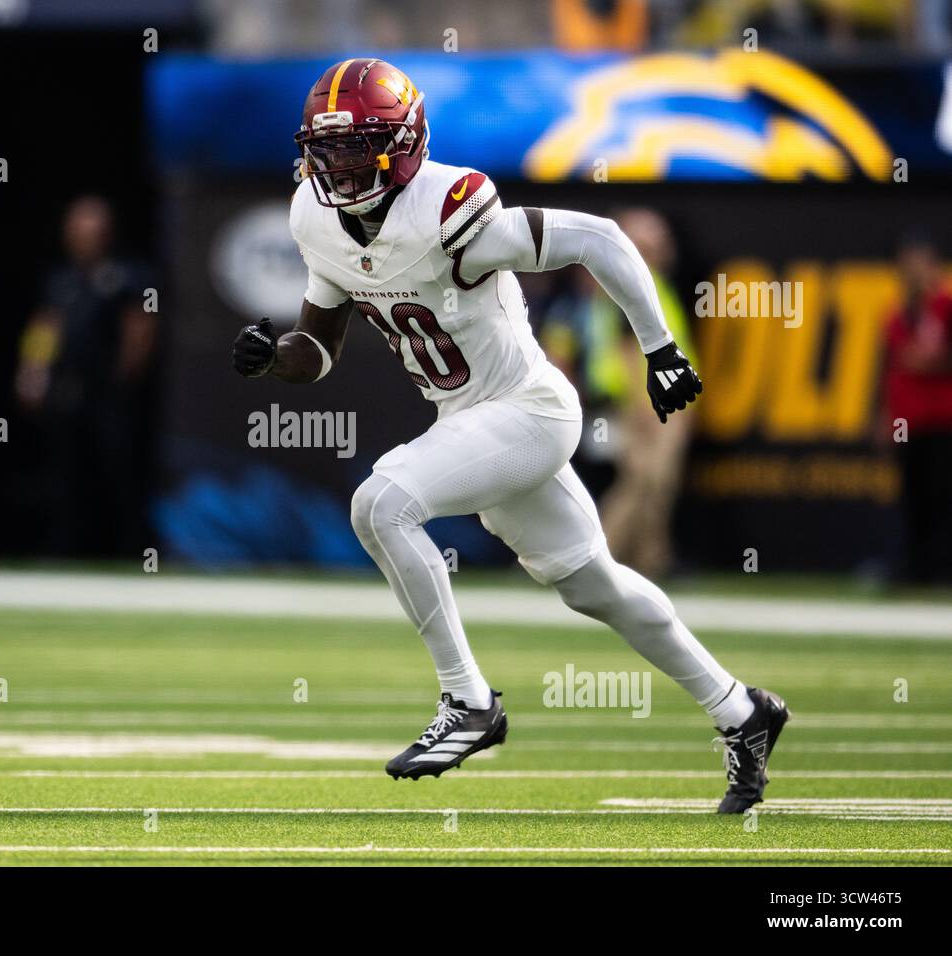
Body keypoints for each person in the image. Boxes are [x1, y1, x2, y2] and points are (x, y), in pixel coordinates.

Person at [231, 58, 788, 812]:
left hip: (528, 410)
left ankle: (468, 702)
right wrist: (275, 362)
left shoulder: (450, 210)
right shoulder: (313, 216)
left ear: (402, 145)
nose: (337, 165)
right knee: (597, 588)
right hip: (471, 421)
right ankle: (742, 712)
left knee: (379, 503)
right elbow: (317, 350)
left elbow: (601, 238)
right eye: (326, 148)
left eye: (357, 147)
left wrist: (660, 349)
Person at [14, 197, 159, 556]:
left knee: (118, 472)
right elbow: (45, 327)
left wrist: (125, 379)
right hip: (67, 391)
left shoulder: (128, 276)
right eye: (78, 231)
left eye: (92, 232)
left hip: (110, 393)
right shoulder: (60, 279)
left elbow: (140, 328)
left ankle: (131, 551)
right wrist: (31, 373)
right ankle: (65, 550)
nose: (84, 239)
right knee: (65, 474)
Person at [596, 208, 696, 580]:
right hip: (649, 403)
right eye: (649, 238)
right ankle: (596, 558)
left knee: (657, 485)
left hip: (666, 400)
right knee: (642, 483)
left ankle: (652, 562)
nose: (659, 244)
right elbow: (625, 350)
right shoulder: (631, 282)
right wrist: (642, 402)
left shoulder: (653, 282)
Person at [879, 234, 952, 583]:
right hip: (907, 421)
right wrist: (884, 417)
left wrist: (933, 362)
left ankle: (941, 569)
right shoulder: (896, 314)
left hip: (943, 419)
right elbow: (888, 371)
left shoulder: (946, 308)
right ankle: (916, 569)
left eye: (918, 262)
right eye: (906, 263)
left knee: (942, 496)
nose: (912, 271)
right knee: (912, 497)